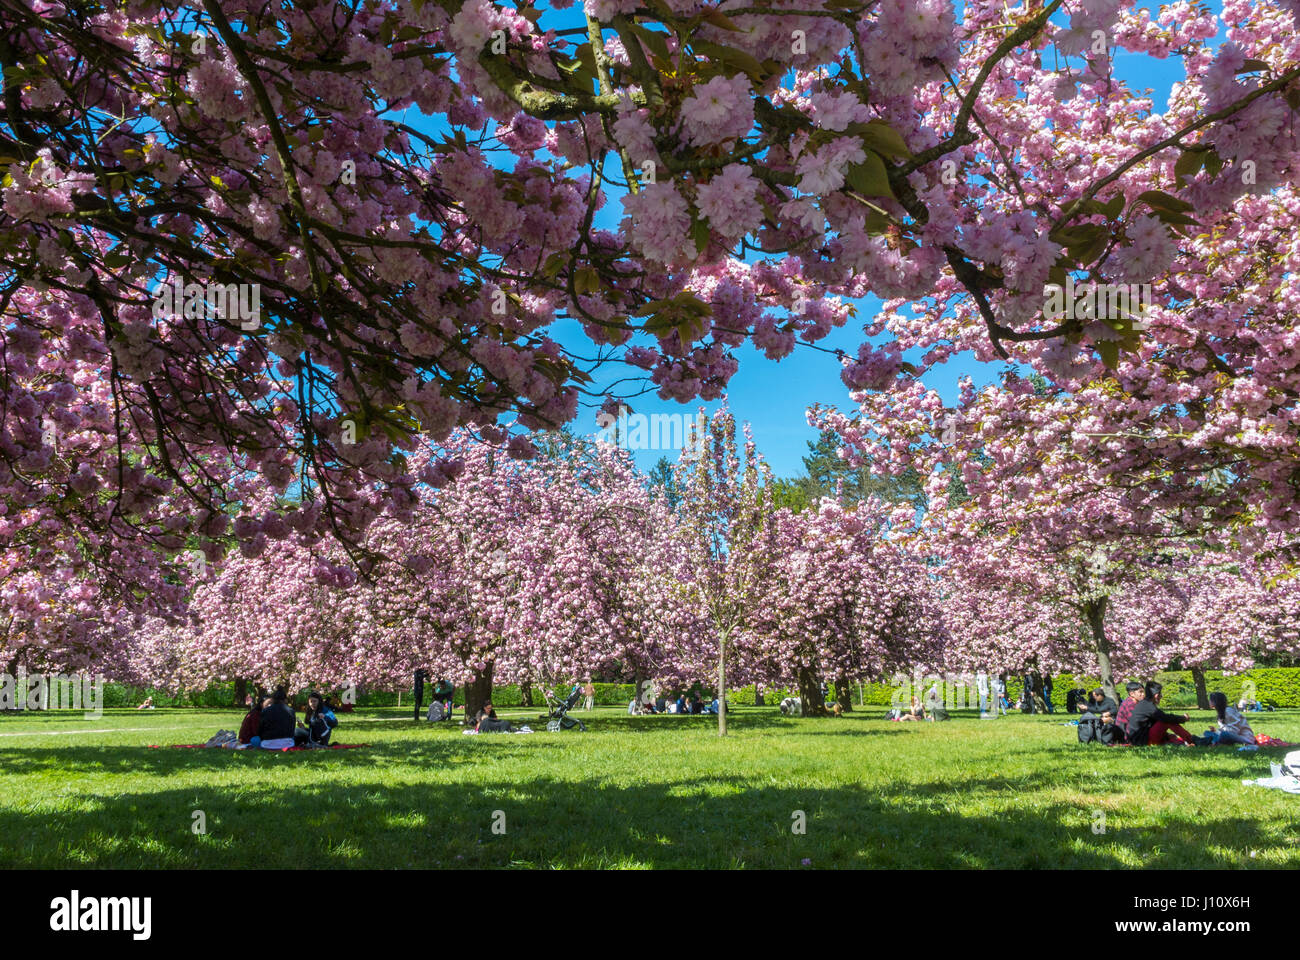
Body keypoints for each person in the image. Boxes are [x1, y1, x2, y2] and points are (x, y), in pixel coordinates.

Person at [1126, 682, 1197, 746]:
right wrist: (1183, 718)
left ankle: (1189, 740)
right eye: (1161, 694)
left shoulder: (1145, 704)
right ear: (1156, 696)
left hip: (1140, 739)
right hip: (1143, 741)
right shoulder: (1148, 706)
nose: (1161, 697)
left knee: (1168, 726)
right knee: (1167, 722)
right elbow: (1165, 718)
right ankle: (1192, 740)